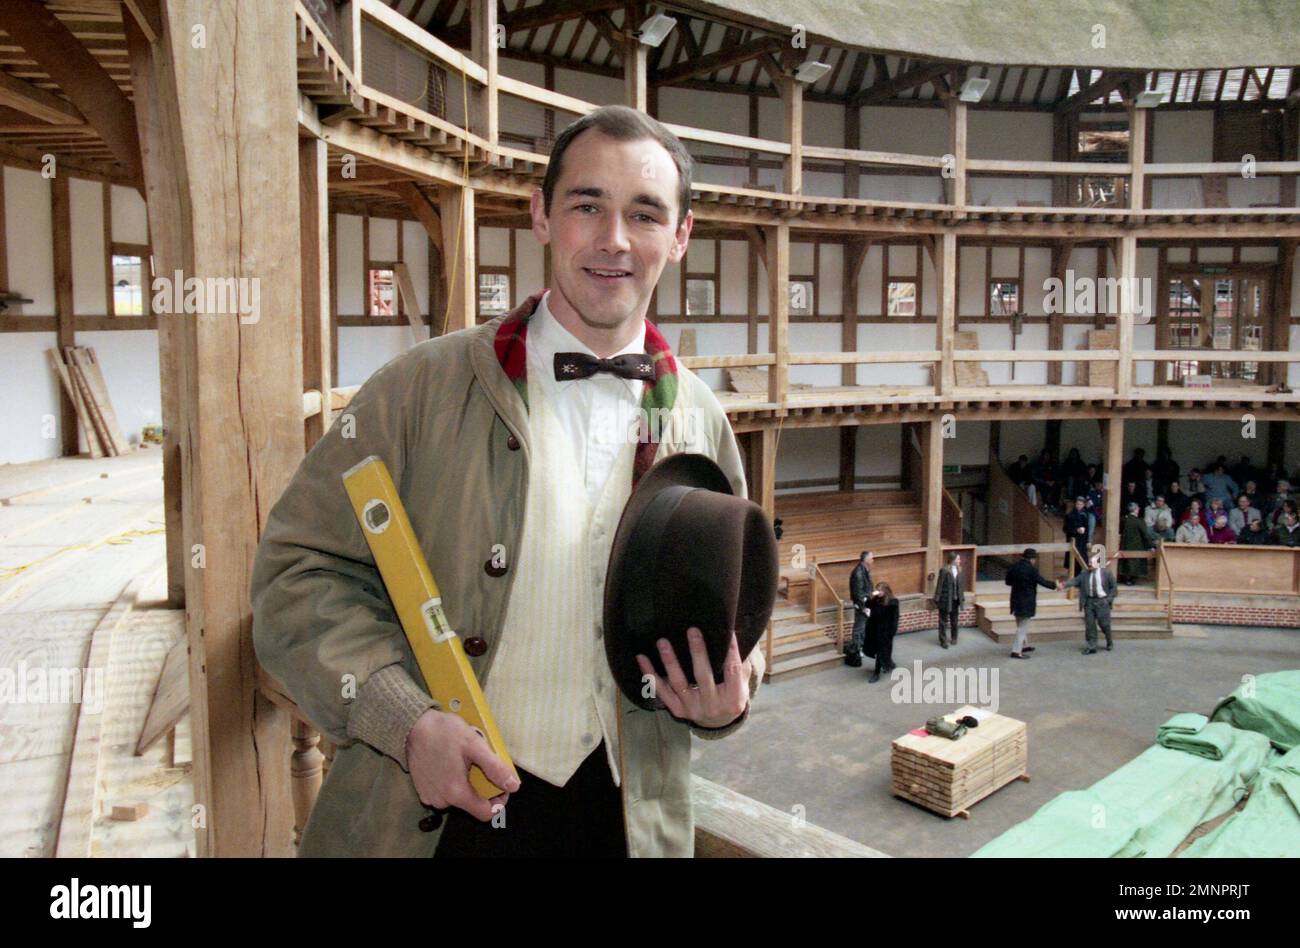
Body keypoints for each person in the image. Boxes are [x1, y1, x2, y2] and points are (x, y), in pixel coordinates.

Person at [250, 105, 757, 858]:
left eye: (645, 214)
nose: (614, 239)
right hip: (434, 820)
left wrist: (725, 699)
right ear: (542, 217)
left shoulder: (703, 420)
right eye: (587, 205)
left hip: (621, 827)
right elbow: (295, 574)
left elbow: (731, 615)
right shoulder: (417, 389)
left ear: (680, 238)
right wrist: (406, 722)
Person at [1061, 545, 1117, 655]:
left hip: (1102, 601)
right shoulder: (1084, 574)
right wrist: (1063, 585)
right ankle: (1092, 645)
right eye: (1089, 563)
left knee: (1104, 624)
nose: (1090, 565)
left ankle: (1109, 641)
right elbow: (1074, 581)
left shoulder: (1106, 573)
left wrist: (1109, 599)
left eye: (1092, 563)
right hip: (1089, 602)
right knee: (1090, 625)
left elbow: (1113, 588)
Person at [1004, 548, 1057, 660]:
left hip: (1015, 600)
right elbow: (1042, 581)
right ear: (1032, 559)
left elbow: (1008, 582)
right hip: (1027, 601)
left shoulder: (1014, 567)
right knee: (1022, 627)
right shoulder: (1031, 570)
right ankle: (1016, 651)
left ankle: (1024, 645)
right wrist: (1055, 585)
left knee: (1020, 624)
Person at [866, 582, 900, 684]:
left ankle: (876, 673)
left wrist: (891, 632)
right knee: (881, 651)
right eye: (877, 590)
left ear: (885, 591)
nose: (878, 592)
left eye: (880, 590)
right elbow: (868, 605)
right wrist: (871, 597)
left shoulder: (892, 602)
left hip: (885, 631)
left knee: (881, 651)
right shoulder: (876, 600)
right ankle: (889, 663)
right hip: (875, 630)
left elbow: (894, 619)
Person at [1120, 501, 1157, 584]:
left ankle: (1126, 579)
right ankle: (1131, 579)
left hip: (1125, 545)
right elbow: (1145, 535)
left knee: (1126, 562)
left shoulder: (1123, 520)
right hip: (1137, 545)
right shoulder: (1139, 521)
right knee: (1135, 562)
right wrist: (1152, 546)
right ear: (1136, 510)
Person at [933, 550, 964, 649]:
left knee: (954, 620)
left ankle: (954, 637)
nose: (960, 560)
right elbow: (940, 584)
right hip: (946, 599)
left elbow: (961, 586)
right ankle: (943, 640)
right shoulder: (944, 570)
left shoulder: (959, 570)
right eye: (958, 559)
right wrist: (937, 598)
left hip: (955, 600)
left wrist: (961, 598)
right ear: (953, 560)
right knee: (943, 621)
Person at [848, 550, 875, 661]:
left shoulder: (864, 570)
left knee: (863, 627)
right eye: (872, 558)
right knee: (859, 628)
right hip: (862, 605)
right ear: (866, 559)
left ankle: (861, 647)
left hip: (866, 603)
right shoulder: (858, 572)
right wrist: (863, 607)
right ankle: (856, 650)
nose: (873, 560)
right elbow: (858, 592)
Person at [1063, 496, 1091, 567]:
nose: (1079, 506)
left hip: (1082, 542)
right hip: (1074, 540)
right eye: (1078, 504)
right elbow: (1065, 529)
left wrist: (1087, 541)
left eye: (1081, 504)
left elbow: (1087, 529)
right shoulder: (1070, 515)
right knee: (1073, 563)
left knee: (1083, 563)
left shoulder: (1085, 515)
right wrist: (1076, 530)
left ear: (1083, 505)